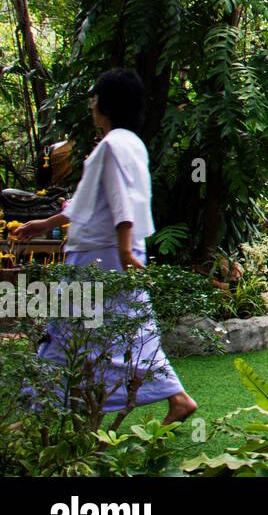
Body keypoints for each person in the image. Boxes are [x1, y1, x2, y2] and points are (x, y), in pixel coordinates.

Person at [14, 69, 198, 424]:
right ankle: (176, 397)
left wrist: (125, 252)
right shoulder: (131, 143)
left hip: (104, 256)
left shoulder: (113, 146)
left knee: (69, 332)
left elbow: (121, 202)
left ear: (106, 104)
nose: (91, 106)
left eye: (94, 99)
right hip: (114, 252)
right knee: (130, 331)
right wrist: (46, 223)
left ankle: (37, 412)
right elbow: (92, 204)